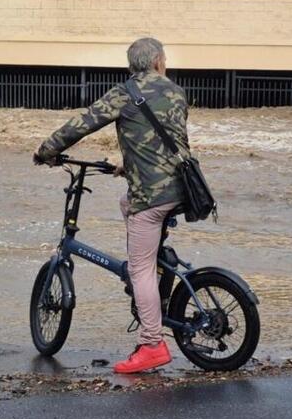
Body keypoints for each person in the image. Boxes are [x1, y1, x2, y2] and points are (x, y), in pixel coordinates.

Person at [33, 37, 191, 374]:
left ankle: (152, 343)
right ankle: (156, 269)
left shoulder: (124, 92)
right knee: (126, 202)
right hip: (183, 188)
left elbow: (83, 123)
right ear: (160, 62)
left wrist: (46, 151)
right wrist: (128, 165)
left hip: (151, 196)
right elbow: (162, 138)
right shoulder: (176, 92)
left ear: (131, 66)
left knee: (140, 269)